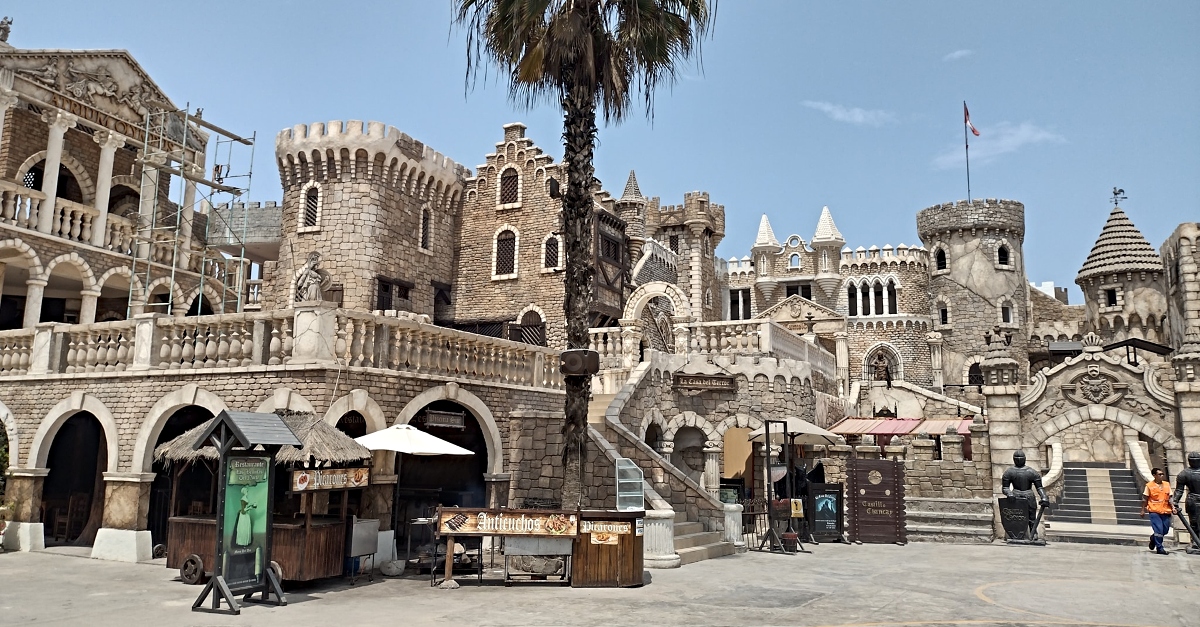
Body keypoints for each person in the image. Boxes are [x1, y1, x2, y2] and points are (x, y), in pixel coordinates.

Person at [1171, 451, 1200, 553]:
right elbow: (1179, 490)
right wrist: (1175, 501)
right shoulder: (1184, 474)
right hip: (1193, 500)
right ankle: (1196, 543)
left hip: (1193, 499)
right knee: (1194, 523)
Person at [1140, 467, 1172, 555]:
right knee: (1158, 530)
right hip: (1154, 511)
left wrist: (1173, 507)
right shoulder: (1149, 486)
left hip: (1165, 511)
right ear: (1154, 475)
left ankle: (1153, 538)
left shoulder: (1166, 484)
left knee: (1165, 530)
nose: (1162, 476)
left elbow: (1170, 497)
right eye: (1159, 474)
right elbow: (1145, 498)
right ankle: (1160, 548)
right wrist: (1143, 510)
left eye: (1162, 474)